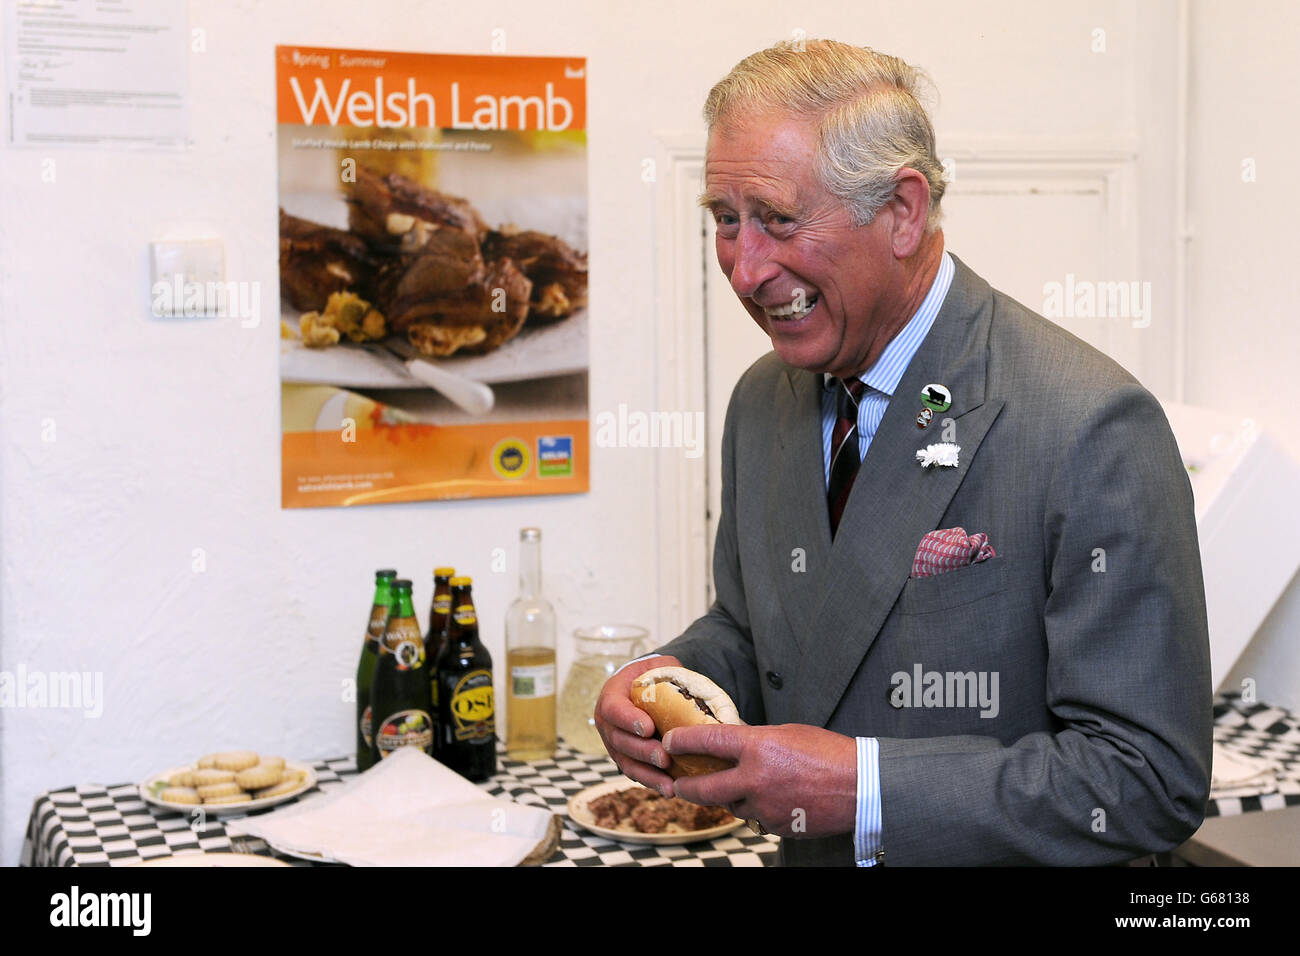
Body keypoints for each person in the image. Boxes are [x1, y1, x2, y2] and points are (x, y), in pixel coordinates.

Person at [595, 39, 1212, 866]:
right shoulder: (761, 402)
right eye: (724, 220)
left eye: (778, 219)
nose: (743, 271)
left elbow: (1146, 780)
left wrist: (866, 788)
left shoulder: (1089, 426)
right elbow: (758, 634)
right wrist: (659, 680)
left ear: (904, 210)